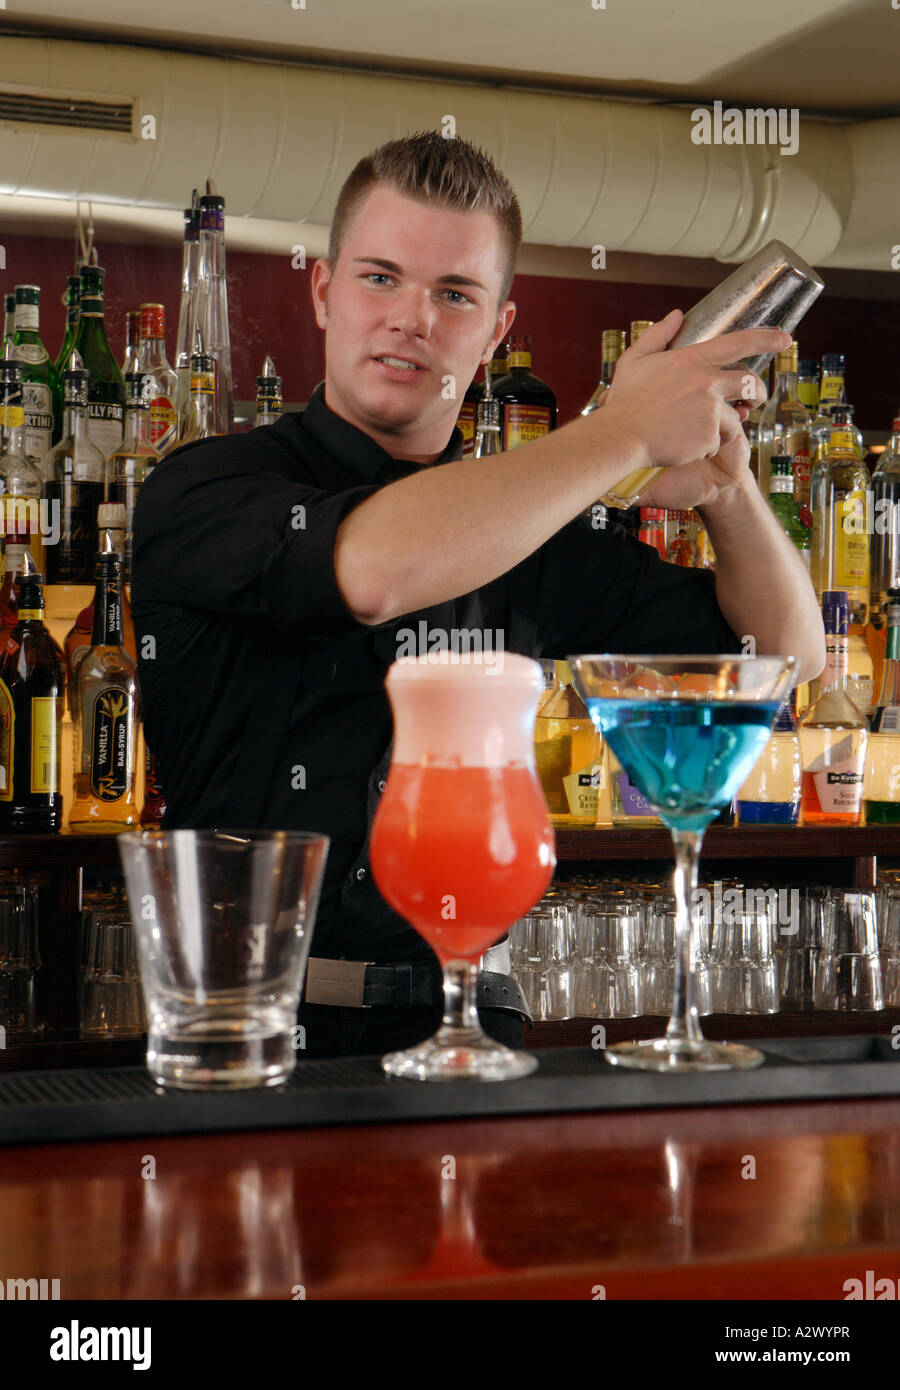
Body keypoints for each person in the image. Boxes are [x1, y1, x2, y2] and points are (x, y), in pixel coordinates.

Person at [132, 131, 824, 1059]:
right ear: (322, 290)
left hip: (476, 1027)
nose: (411, 318)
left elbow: (783, 660)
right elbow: (375, 569)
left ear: (497, 331)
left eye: (454, 294)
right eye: (380, 278)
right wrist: (620, 437)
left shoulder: (541, 529)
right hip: (251, 1026)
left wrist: (727, 481)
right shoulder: (202, 489)